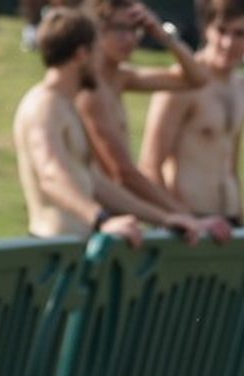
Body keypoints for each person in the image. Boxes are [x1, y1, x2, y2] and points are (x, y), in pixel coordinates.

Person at [77, 0, 234, 242]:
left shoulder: (121, 77)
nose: (129, 38)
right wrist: (185, 216)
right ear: (97, 30)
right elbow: (123, 172)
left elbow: (198, 79)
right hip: (92, 220)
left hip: (118, 216)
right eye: (119, 28)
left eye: (135, 30)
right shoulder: (90, 89)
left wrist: (164, 35)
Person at [12, 8, 150, 245]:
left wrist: (168, 218)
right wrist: (101, 220)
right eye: (98, 51)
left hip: (75, 251)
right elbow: (51, 176)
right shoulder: (43, 106)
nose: (101, 62)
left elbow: (93, 181)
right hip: (51, 253)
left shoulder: (68, 105)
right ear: (82, 54)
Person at [139, 0, 244, 227]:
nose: (228, 43)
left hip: (229, 217)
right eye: (221, 31)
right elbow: (150, 165)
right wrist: (181, 219)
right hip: (190, 218)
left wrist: (242, 219)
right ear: (206, 30)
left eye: (239, 34)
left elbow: (231, 162)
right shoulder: (181, 83)